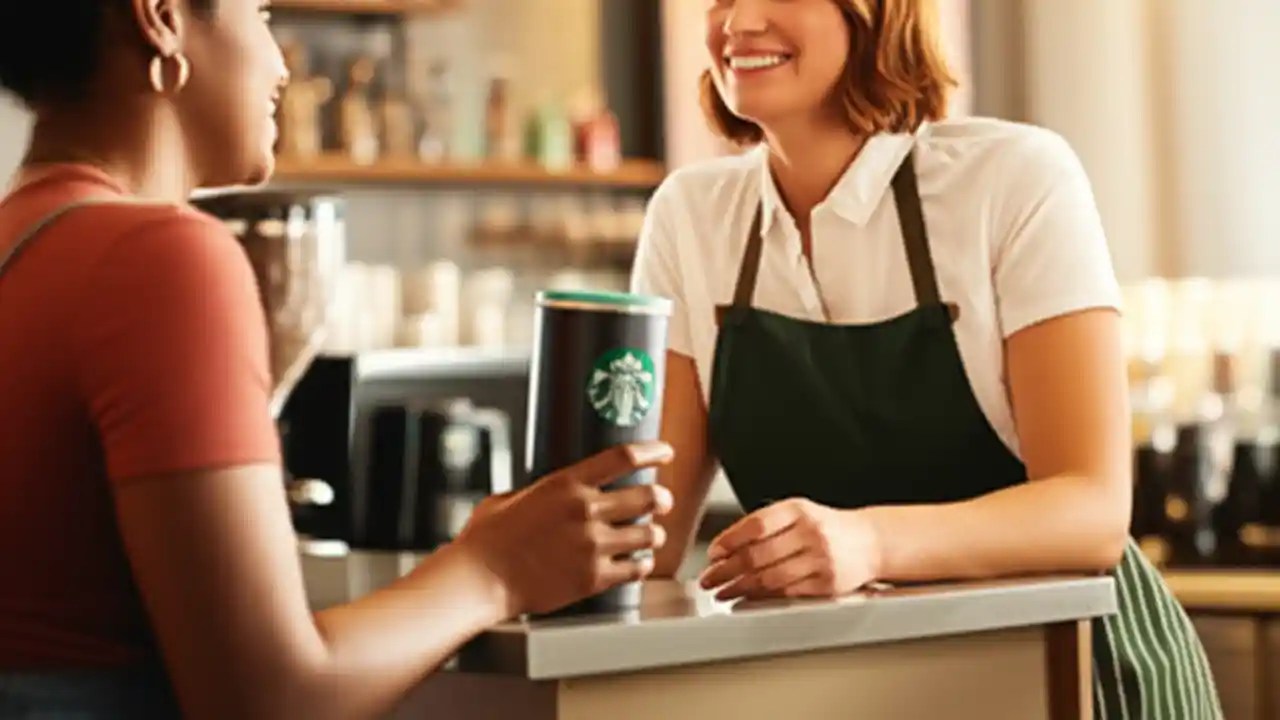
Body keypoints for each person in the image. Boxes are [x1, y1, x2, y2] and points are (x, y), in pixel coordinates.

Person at [0, 1, 674, 718]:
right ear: (162, 17)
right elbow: (269, 697)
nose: (282, 64)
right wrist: (493, 569)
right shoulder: (160, 258)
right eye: (259, 13)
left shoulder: (24, 241)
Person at [631, 1, 1222, 718]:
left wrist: (870, 542)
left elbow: (1090, 510)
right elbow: (645, 540)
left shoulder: (1013, 180)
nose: (741, 20)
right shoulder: (689, 219)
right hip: (851, 688)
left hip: (1073, 673)